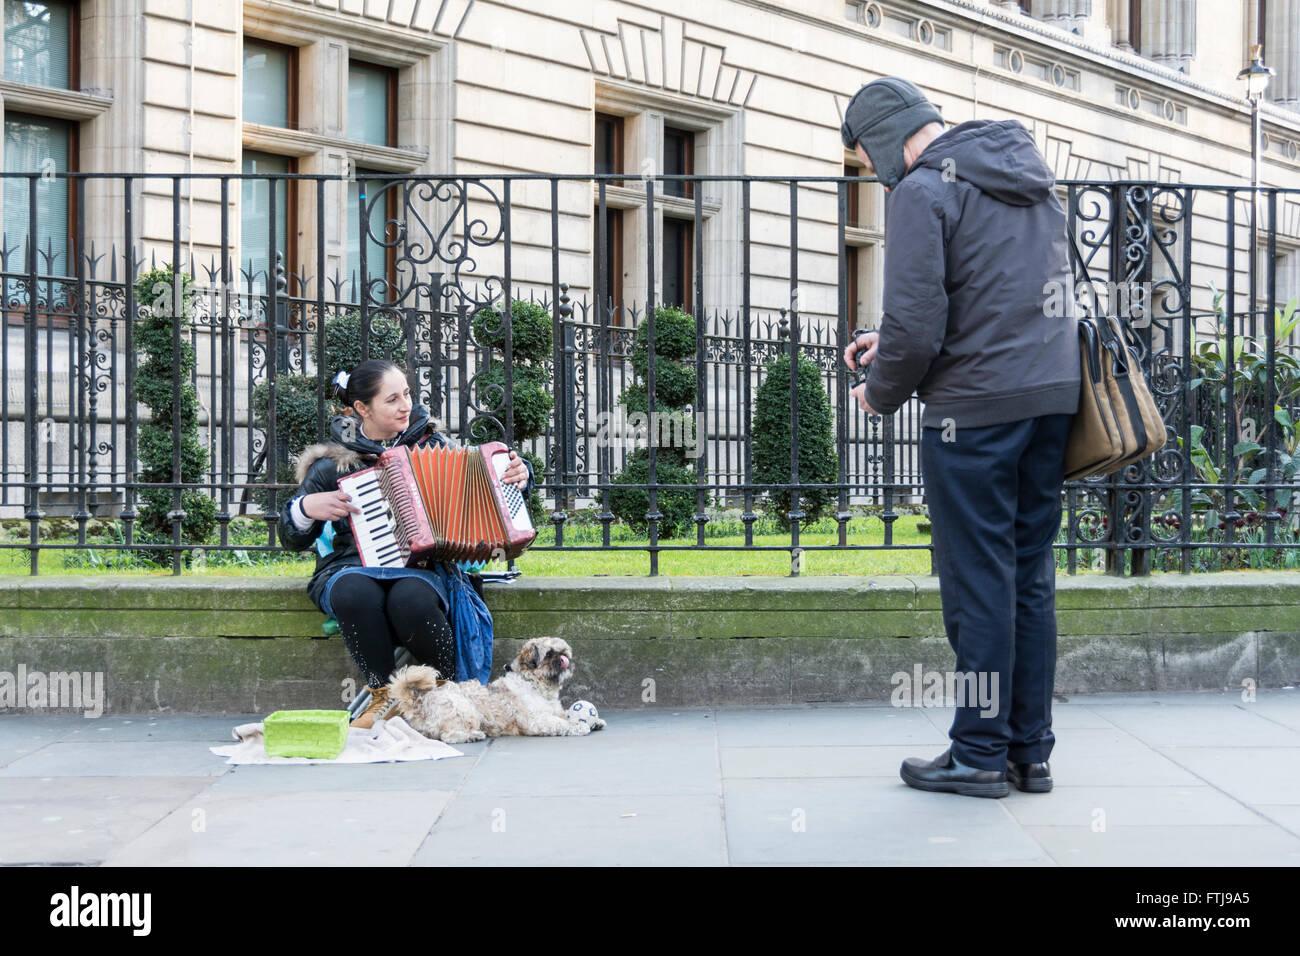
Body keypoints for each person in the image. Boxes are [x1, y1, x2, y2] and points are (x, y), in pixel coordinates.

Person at [839, 78, 1081, 798]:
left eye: (868, 155)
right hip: (1051, 398)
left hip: (973, 413)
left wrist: (880, 391)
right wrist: (899, 340)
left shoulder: (921, 190)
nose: (875, 171)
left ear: (886, 139)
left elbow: (917, 325)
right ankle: (1028, 752)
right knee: (1029, 577)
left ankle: (977, 753)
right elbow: (1000, 295)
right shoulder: (1032, 180)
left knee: (978, 582)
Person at [278, 359, 533, 728]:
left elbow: (486, 488)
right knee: (354, 591)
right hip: (348, 566)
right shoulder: (331, 465)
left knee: (409, 599)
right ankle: (382, 695)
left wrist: (517, 475)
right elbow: (291, 537)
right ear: (362, 409)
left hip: (422, 567)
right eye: (392, 399)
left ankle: (444, 694)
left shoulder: (432, 446)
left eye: (408, 395)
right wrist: (305, 508)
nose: (406, 406)